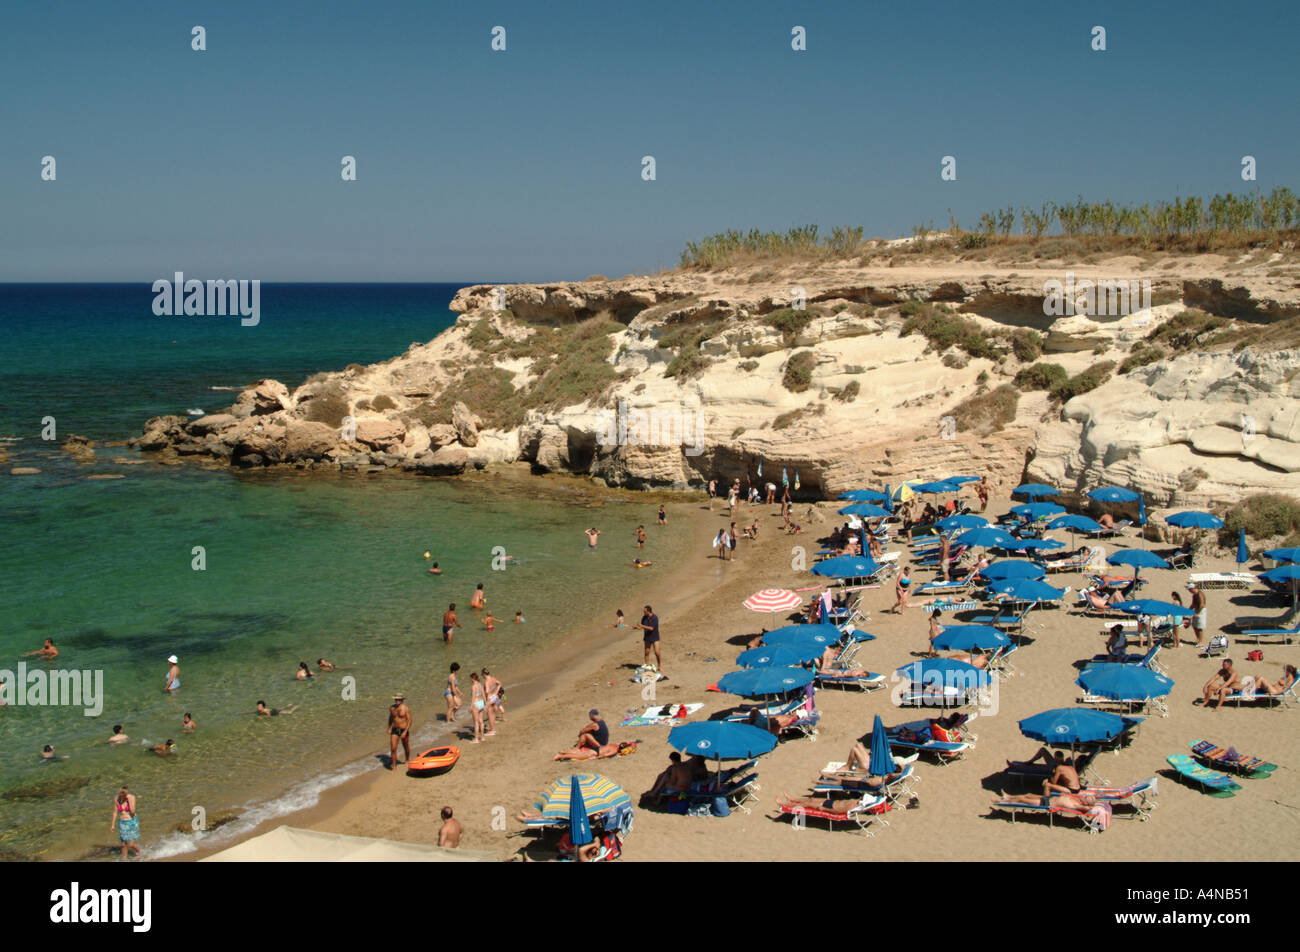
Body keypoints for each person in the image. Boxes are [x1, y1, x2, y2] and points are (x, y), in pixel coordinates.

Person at [111, 787, 142, 860]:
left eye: (125, 795)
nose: (124, 797)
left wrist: (129, 801)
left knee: (130, 844)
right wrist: (112, 825)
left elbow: (132, 812)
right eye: (122, 796)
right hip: (122, 823)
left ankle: (140, 852)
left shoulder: (131, 797)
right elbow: (115, 813)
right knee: (123, 844)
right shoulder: (117, 799)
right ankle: (124, 859)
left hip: (131, 822)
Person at [994, 790, 1098, 811]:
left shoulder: (1078, 805)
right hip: (1048, 798)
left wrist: (1092, 805)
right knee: (1028, 794)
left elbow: (1088, 808)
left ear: (1086, 803)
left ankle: (1002, 801)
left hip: (1046, 803)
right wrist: (1090, 799)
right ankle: (1009, 796)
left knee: (1022, 799)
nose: (1084, 797)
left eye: (1086, 798)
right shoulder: (1078, 799)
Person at [634, 605, 662, 674]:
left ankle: (659, 666)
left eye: (645, 612)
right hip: (647, 637)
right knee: (647, 652)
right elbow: (642, 627)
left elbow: (651, 628)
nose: (644, 613)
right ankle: (646, 666)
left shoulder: (655, 618)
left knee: (657, 652)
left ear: (649, 611)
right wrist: (637, 627)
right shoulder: (644, 618)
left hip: (655, 637)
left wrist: (641, 626)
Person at [386, 693, 411, 766]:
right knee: (393, 748)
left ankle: (407, 759)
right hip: (394, 730)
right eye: (396, 699)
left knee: (406, 746)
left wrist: (405, 731)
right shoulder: (391, 708)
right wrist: (389, 728)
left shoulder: (405, 708)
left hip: (403, 730)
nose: (397, 701)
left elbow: (409, 720)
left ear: (402, 700)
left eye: (399, 699)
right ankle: (394, 766)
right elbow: (391, 718)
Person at [469, 672, 492, 743]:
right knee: (481, 721)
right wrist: (485, 704)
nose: (470, 680)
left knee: (476, 722)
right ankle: (482, 737)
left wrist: (471, 706)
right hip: (481, 703)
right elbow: (483, 695)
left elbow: (473, 698)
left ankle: (476, 739)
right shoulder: (480, 685)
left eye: (471, 679)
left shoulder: (473, 686)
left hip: (476, 704)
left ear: (473, 678)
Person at [1188, 583, 1207, 648]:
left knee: (1199, 627)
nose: (1189, 591)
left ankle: (1200, 642)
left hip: (1200, 612)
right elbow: (1193, 604)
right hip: (1196, 611)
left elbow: (1202, 605)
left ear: (1192, 588)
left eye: (1190, 590)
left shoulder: (1200, 594)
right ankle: (1198, 639)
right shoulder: (1194, 595)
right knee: (1194, 626)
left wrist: (1197, 613)